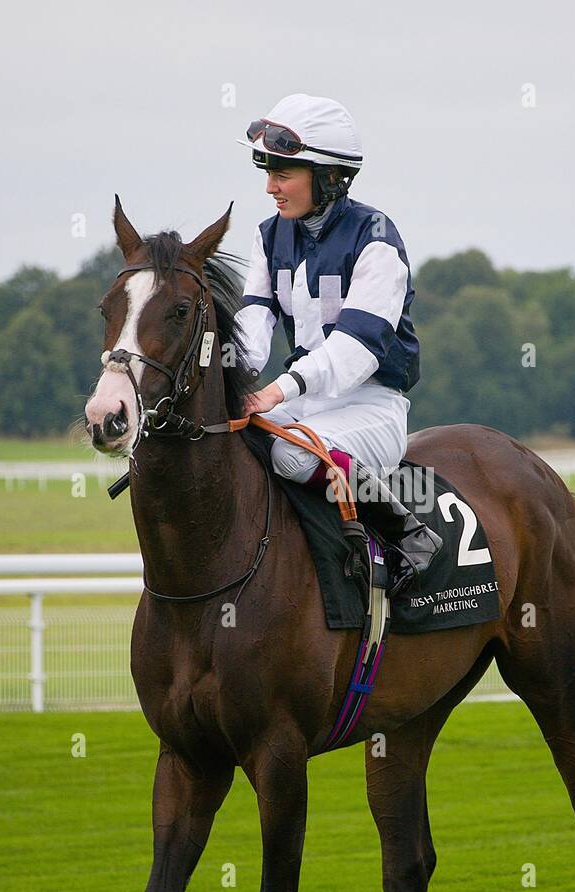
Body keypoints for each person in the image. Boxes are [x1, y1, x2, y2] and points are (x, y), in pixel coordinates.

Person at [235, 93, 441, 596]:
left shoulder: (376, 238)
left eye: (284, 172)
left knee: (292, 458)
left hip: (371, 408)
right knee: (226, 441)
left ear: (329, 176)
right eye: (268, 170)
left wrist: (277, 391)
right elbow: (255, 319)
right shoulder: (271, 236)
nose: (270, 187)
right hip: (307, 407)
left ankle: (409, 535)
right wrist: (230, 375)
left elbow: (357, 349)